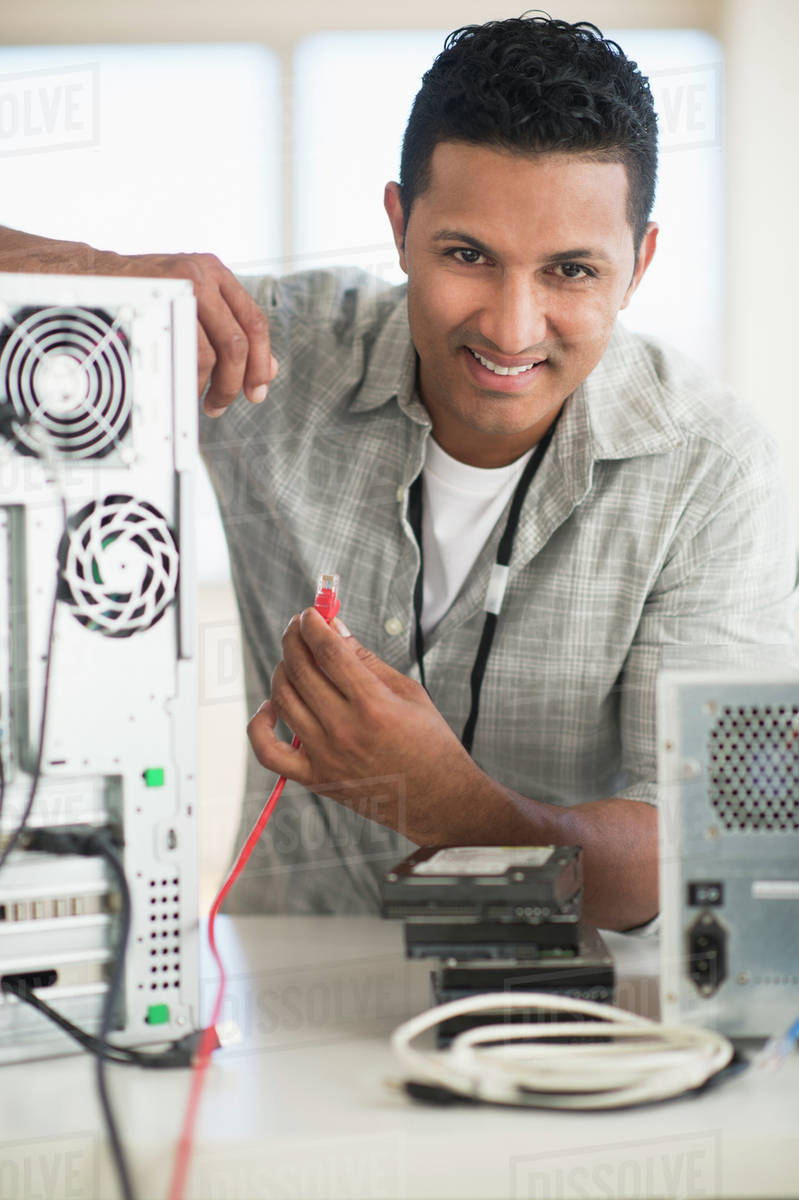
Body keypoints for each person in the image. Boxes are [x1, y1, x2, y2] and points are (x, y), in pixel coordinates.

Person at [0, 17, 795, 932]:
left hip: (581, 1024)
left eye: (570, 271)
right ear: (398, 224)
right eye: (467, 256)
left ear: (638, 263)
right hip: (284, 977)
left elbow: (718, 845)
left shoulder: (717, 466)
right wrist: (101, 281)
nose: (510, 327)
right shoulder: (272, 354)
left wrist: (459, 810)